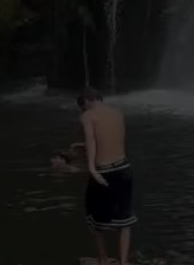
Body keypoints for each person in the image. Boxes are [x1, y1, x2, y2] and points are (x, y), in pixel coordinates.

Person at [77, 88, 136, 265]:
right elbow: (114, 139)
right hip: (124, 167)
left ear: (88, 101)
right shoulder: (118, 114)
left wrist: (91, 169)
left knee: (92, 215)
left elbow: (92, 140)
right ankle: (123, 261)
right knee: (124, 218)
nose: (83, 111)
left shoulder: (88, 116)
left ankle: (102, 259)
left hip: (104, 171)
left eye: (83, 106)